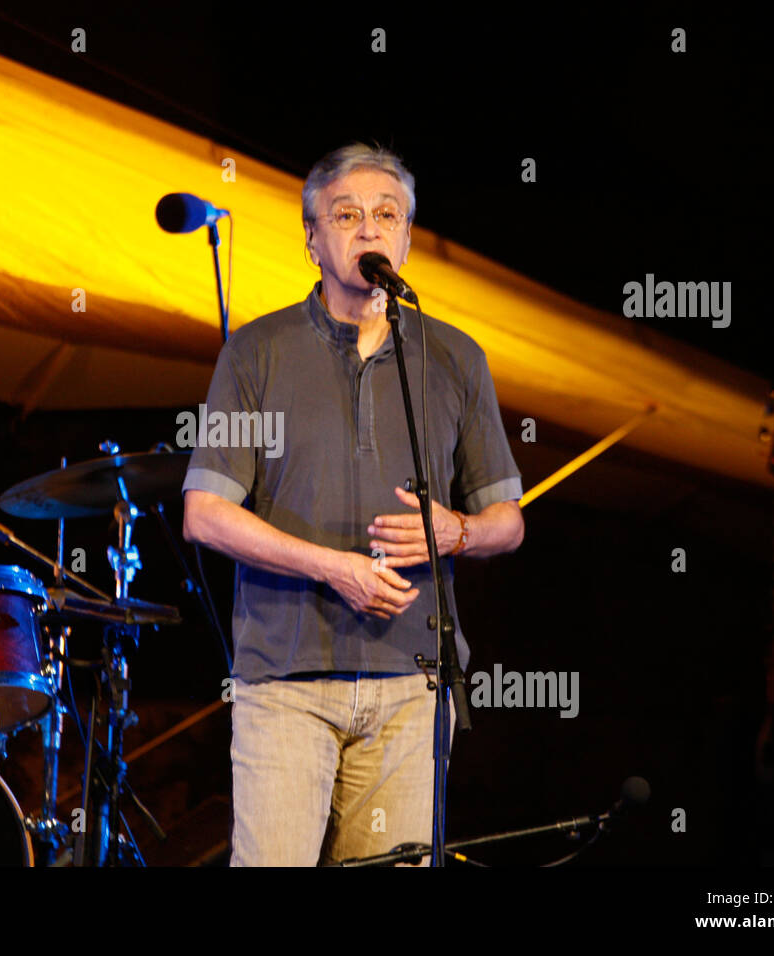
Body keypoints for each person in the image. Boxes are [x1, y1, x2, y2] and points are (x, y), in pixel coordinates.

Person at [182, 143, 525, 866]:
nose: (369, 229)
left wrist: (457, 530)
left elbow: (508, 522)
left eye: (386, 215)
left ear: (404, 238)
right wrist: (332, 568)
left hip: (412, 685)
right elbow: (205, 513)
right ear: (312, 239)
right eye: (346, 214)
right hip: (286, 685)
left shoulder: (456, 358)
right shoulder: (256, 353)